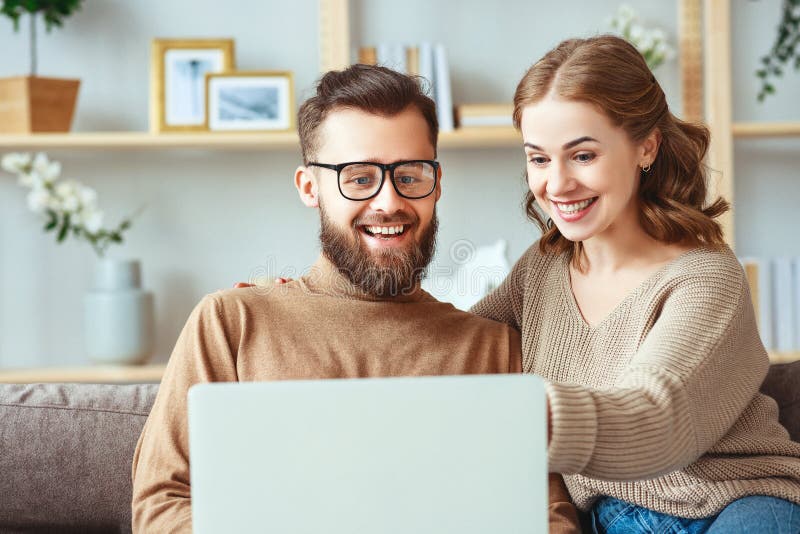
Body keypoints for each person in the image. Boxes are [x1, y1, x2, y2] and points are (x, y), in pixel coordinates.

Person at [131, 64, 580, 533]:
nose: (388, 201)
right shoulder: (232, 323)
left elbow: (549, 516)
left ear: (437, 183)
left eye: (409, 175)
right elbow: (162, 504)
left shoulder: (496, 349)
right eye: (359, 177)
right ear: (311, 187)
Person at [470, 35, 800, 532]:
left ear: (646, 146)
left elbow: (658, 417)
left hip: (739, 503)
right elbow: (458, 343)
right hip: (616, 521)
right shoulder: (539, 271)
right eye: (539, 159)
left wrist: (525, 415)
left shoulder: (705, 277)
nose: (556, 185)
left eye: (582, 156)